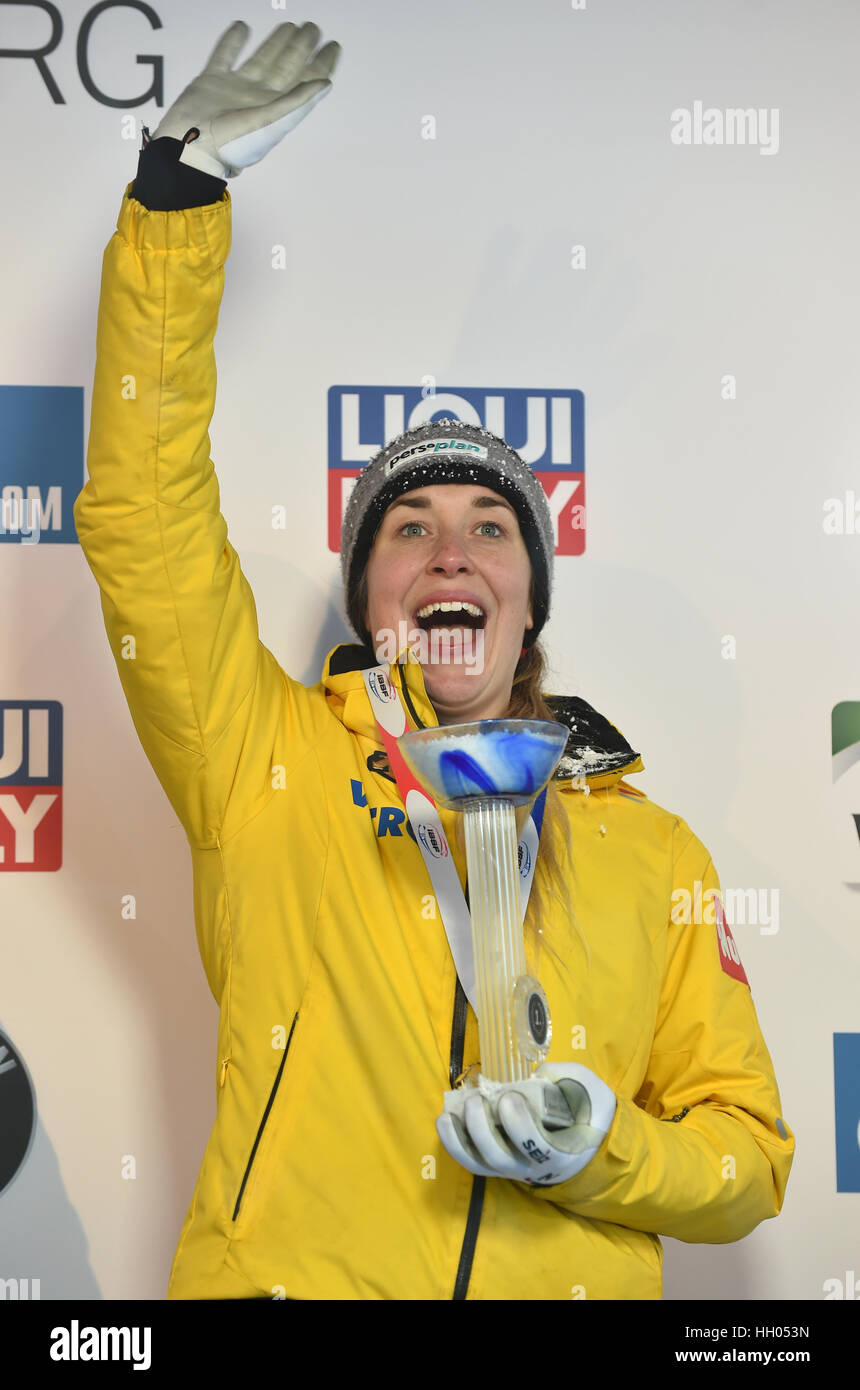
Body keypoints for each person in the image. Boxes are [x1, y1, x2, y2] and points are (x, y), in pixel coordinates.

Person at [74, 19, 794, 1300]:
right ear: (370, 596)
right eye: (408, 529)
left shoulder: (656, 853)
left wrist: (602, 1150)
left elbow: (746, 1163)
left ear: (529, 600)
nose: (449, 554)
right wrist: (177, 205)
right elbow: (144, 518)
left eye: (488, 528)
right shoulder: (262, 762)